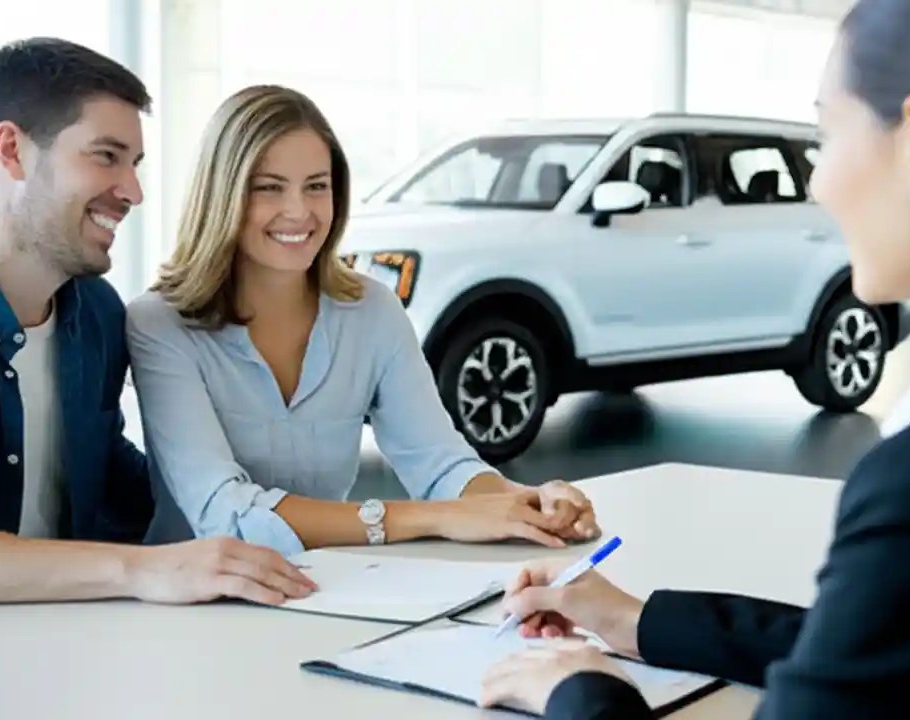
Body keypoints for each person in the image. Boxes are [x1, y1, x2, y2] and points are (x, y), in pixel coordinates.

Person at [478, 0, 910, 717]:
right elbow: (899, 638)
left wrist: (583, 694)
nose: (817, 183)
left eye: (826, 134)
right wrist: (637, 620)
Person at [0, 38, 316, 614]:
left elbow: (116, 490)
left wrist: (243, 517)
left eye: (134, 165)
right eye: (106, 156)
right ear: (12, 151)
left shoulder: (98, 314)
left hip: (67, 650)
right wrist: (144, 569)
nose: (133, 191)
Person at [126, 84, 599, 558]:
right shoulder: (160, 325)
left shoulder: (372, 310)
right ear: (221, 194)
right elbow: (225, 515)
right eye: (269, 188)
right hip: (193, 608)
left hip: (330, 589)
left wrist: (526, 504)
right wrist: (431, 518)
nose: (300, 211)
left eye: (316, 186)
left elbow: (439, 464)